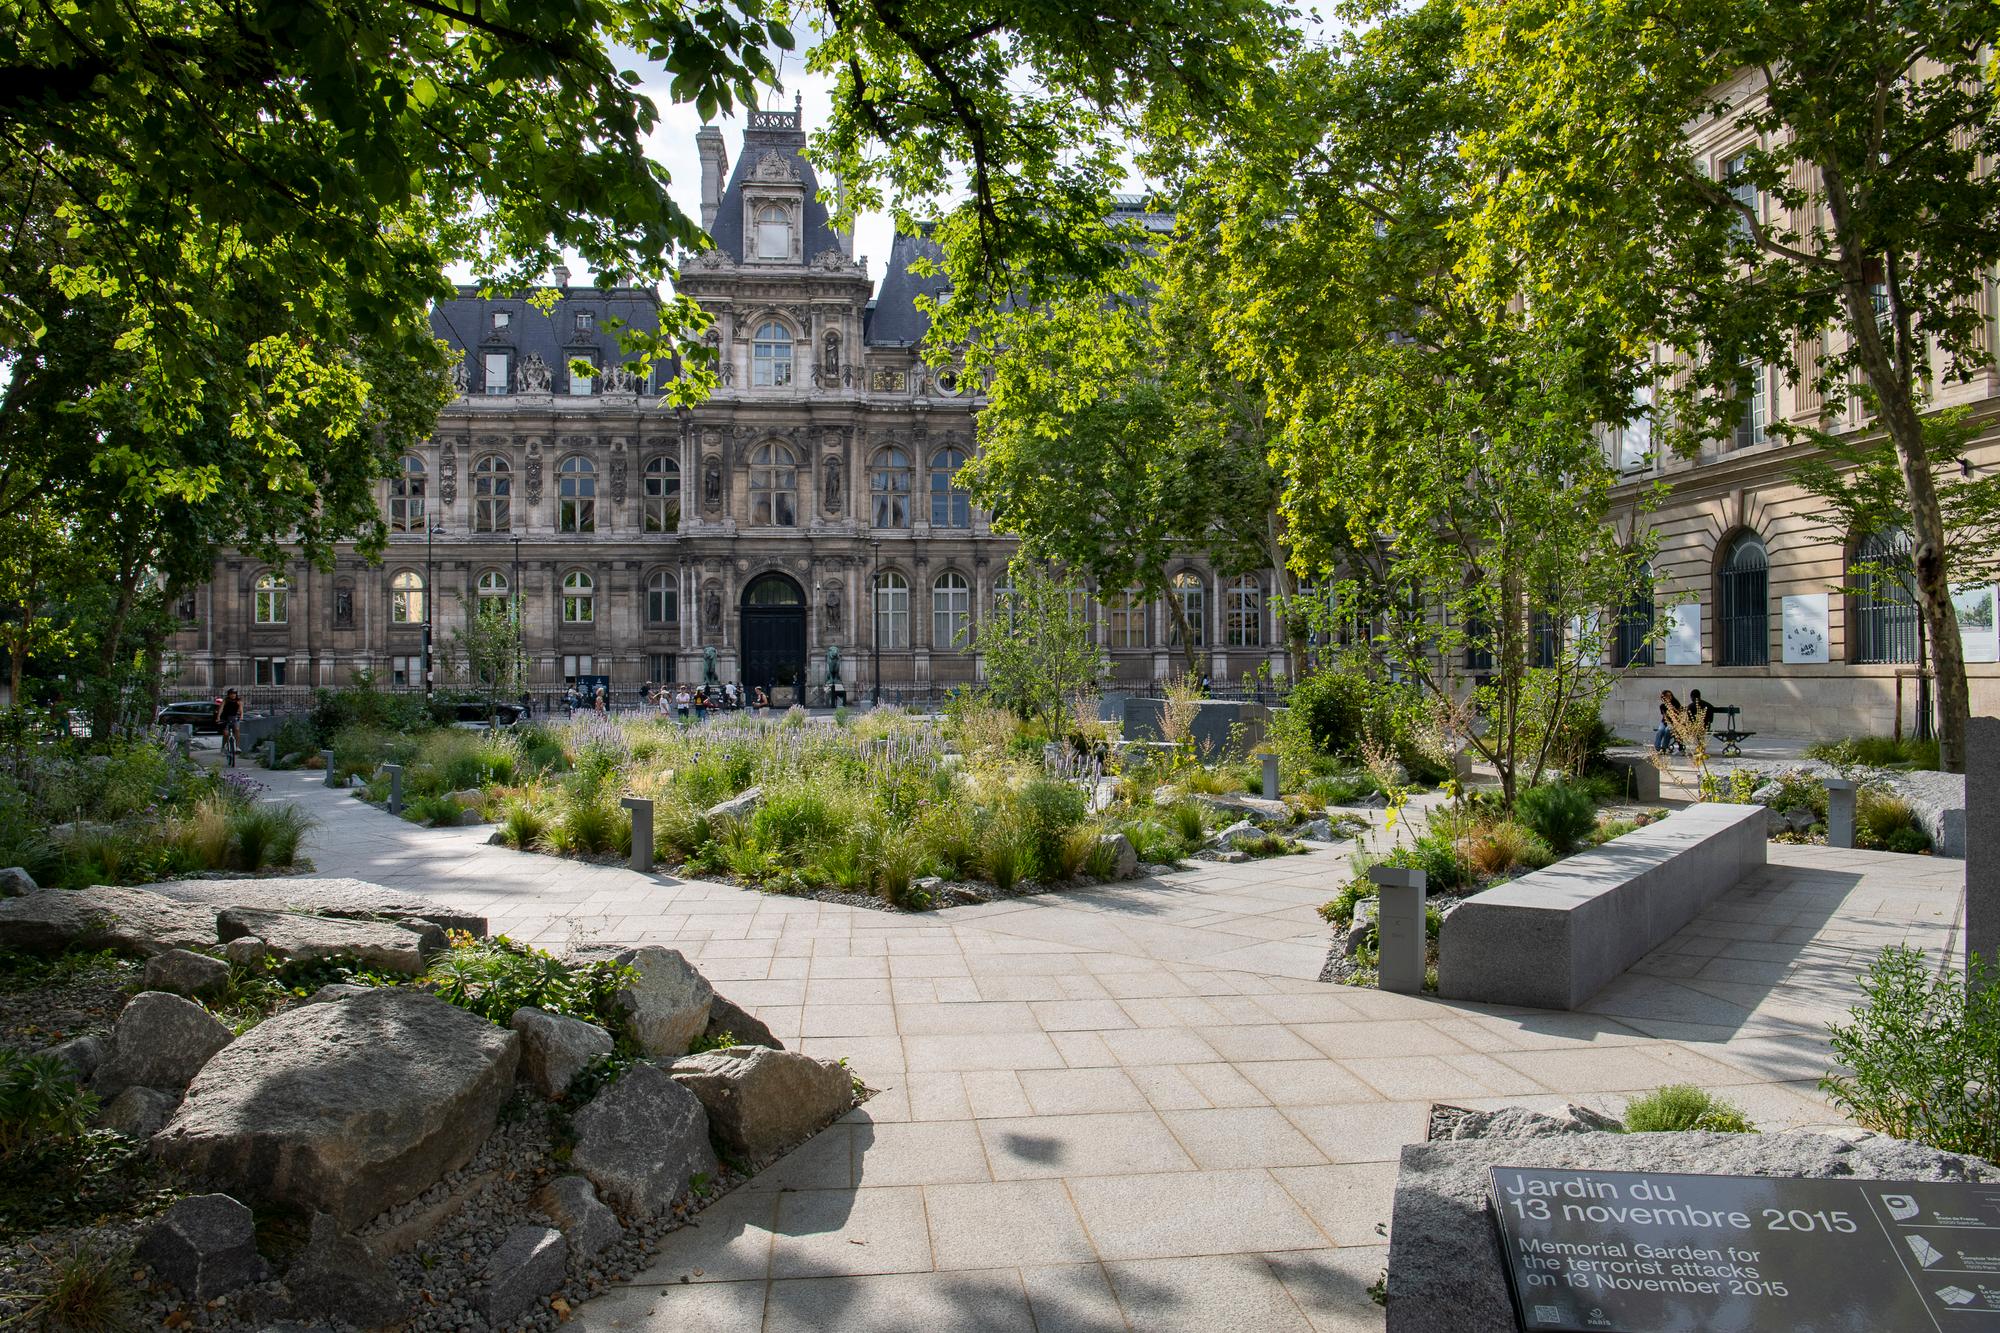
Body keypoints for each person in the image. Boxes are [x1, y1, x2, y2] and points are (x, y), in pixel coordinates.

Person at [215, 688, 244, 766]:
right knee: (226, 733)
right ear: (229, 694)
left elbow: (241, 710)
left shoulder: (238, 700)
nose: (233, 695)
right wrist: (218, 717)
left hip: (234, 717)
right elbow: (221, 709)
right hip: (226, 718)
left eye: (234, 693)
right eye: (231, 694)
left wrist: (241, 716)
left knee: (237, 729)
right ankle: (223, 747)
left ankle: (237, 747)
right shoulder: (226, 700)